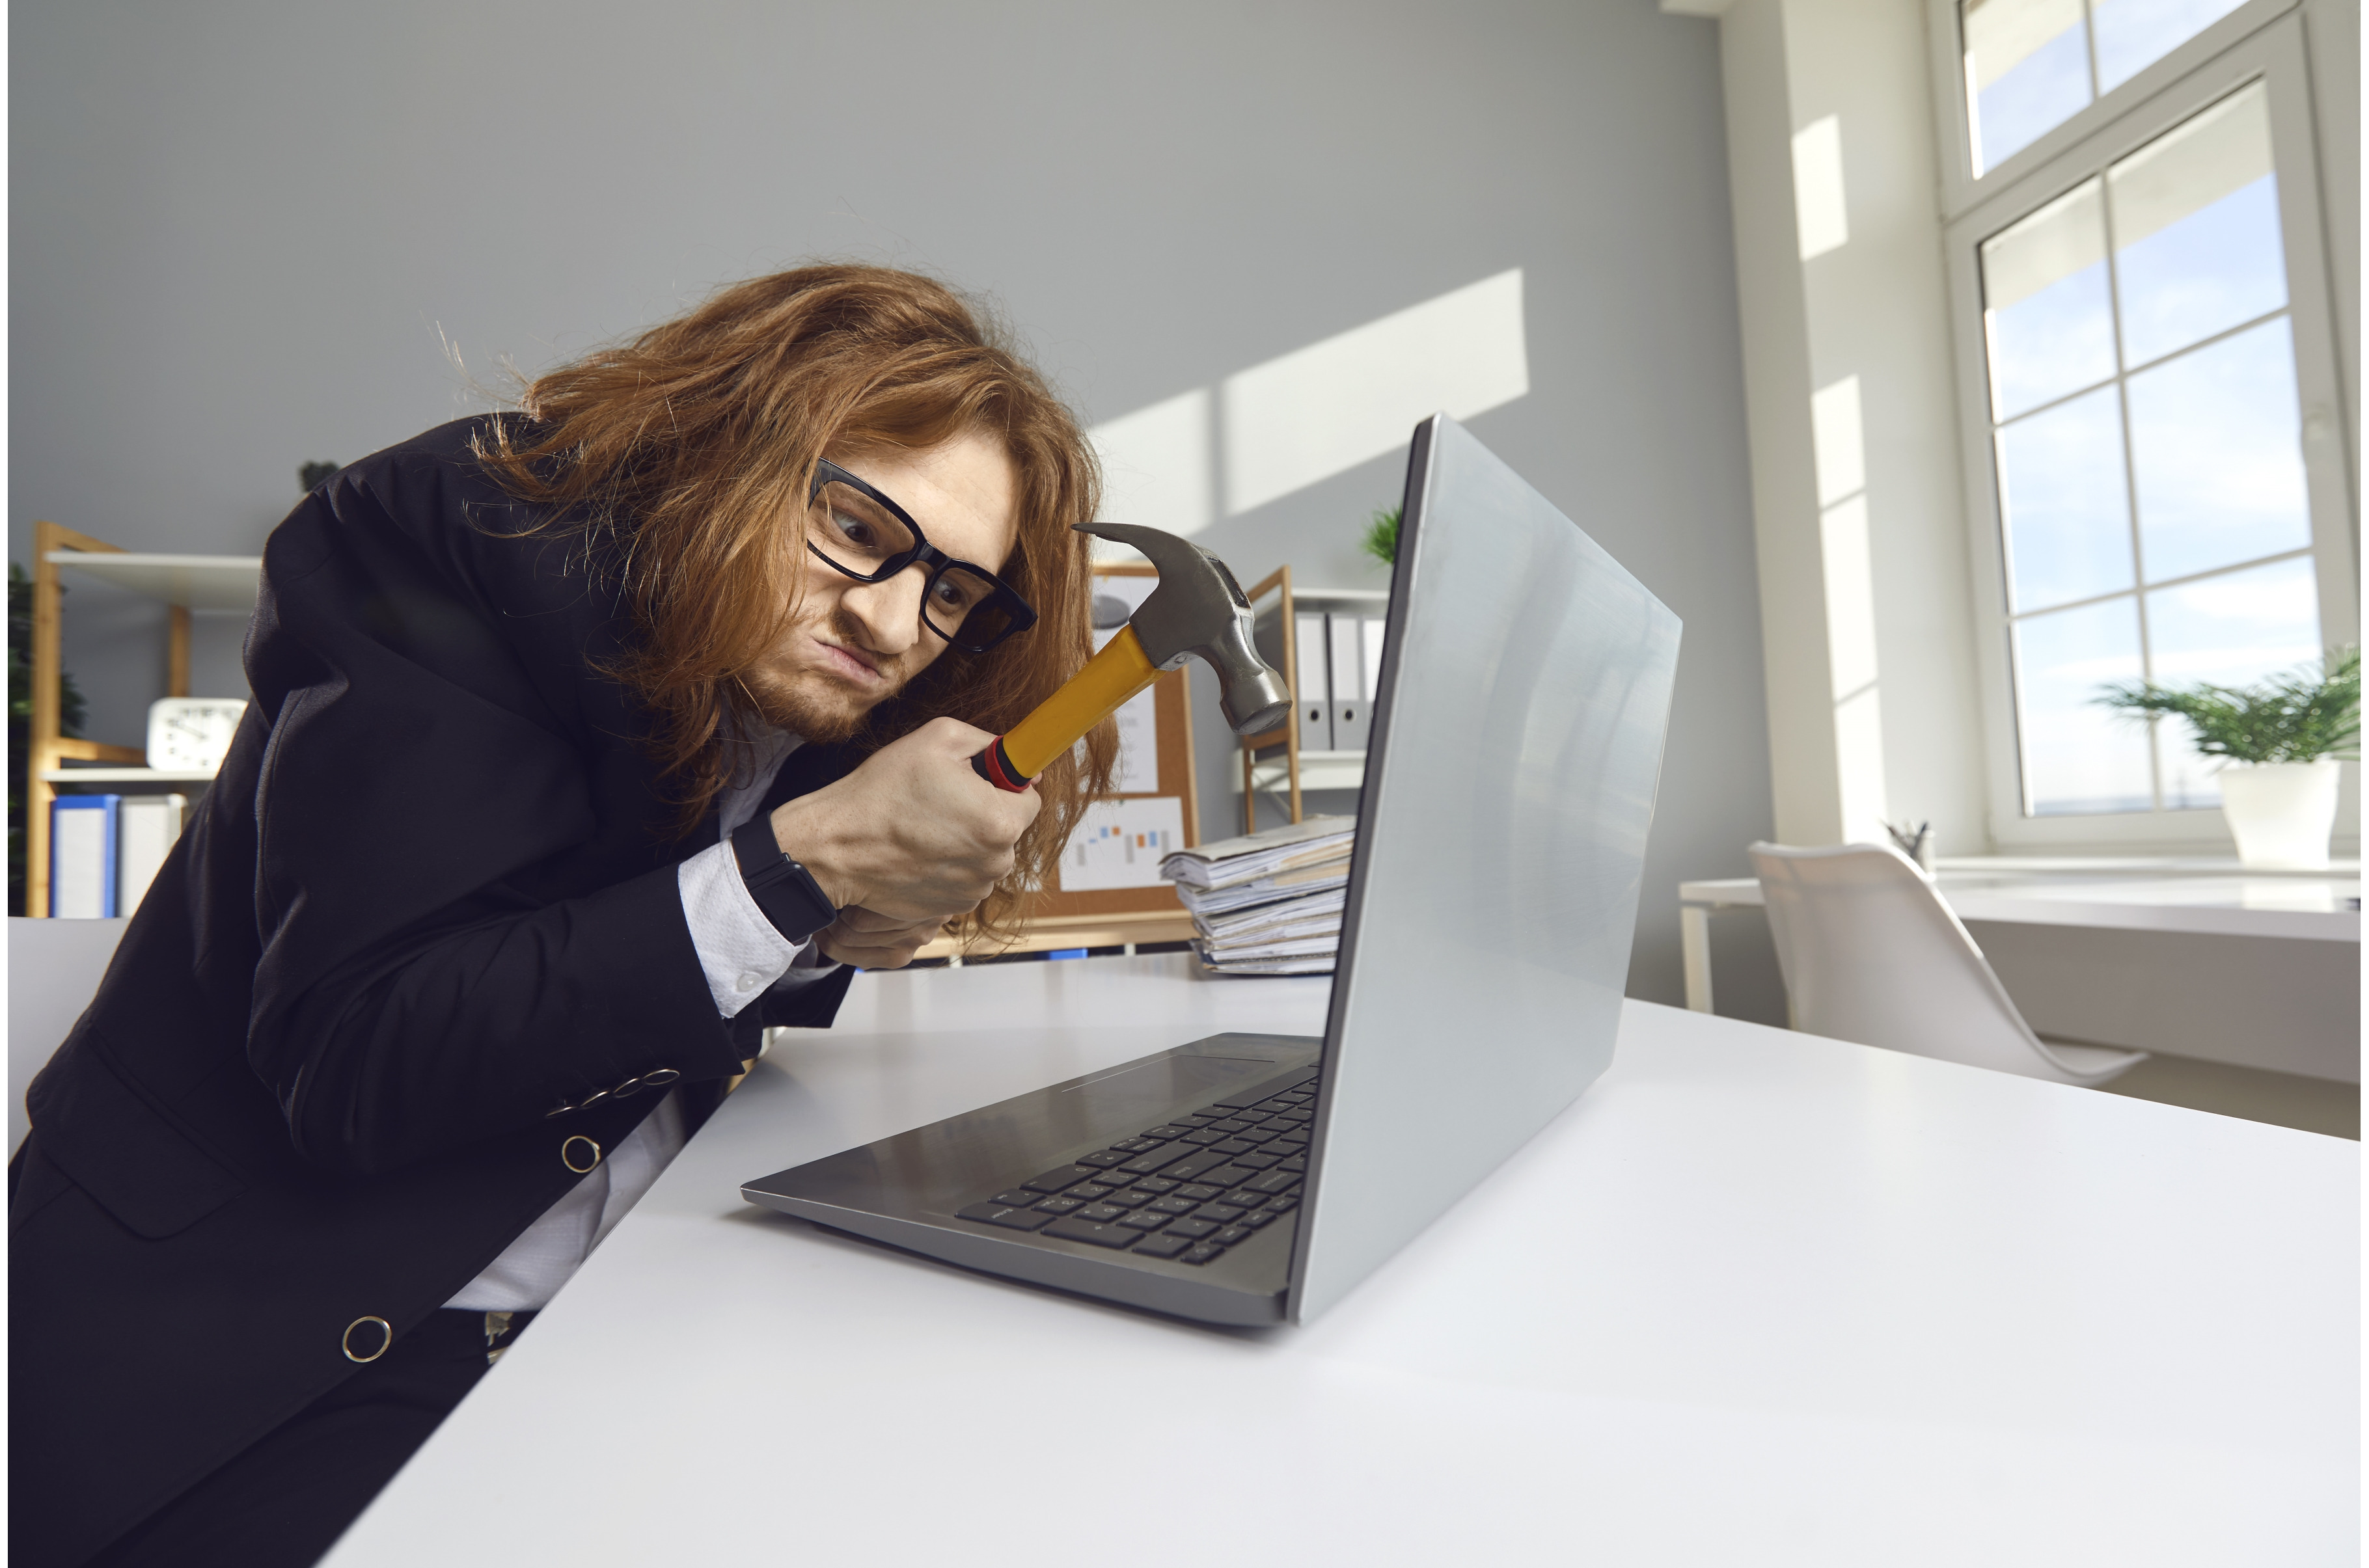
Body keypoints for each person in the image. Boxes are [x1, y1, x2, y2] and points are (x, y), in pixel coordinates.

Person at [8, 265, 1117, 1568]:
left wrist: (837, 920)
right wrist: (802, 862)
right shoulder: (444, 544)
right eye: (860, 528)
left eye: (949, 594)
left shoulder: (814, 681)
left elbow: (688, 945)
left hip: (623, 1305)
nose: (890, 619)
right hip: (244, 1350)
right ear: (731, 449)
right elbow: (362, 1057)